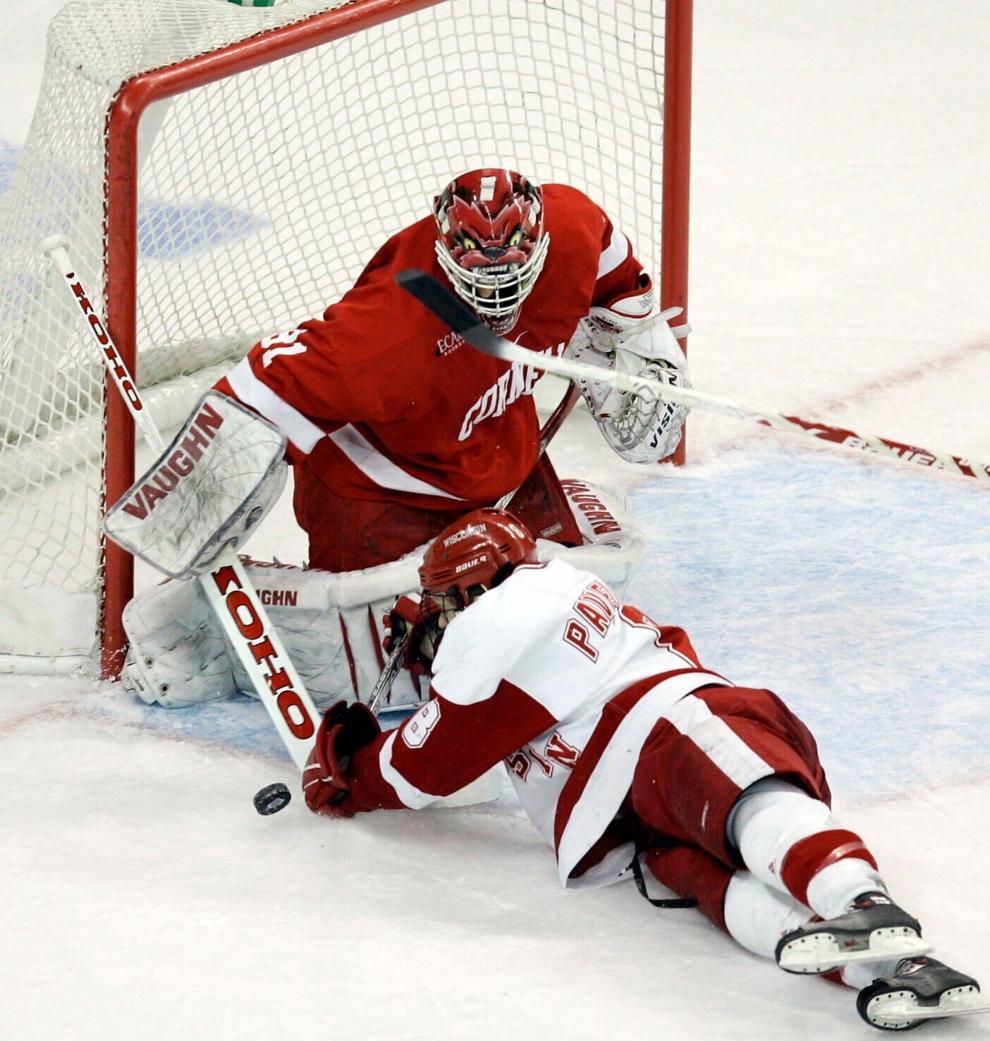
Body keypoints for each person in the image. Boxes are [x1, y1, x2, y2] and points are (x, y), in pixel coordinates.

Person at [302, 508, 983, 1032]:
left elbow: (423, 769)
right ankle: (894, 966)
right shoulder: (563, 584)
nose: (439, 620)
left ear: (474, 588)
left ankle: (863, 903)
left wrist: (346, 765)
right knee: (708, 875)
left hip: (666, 729)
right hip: (630, 796)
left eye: (444, 600)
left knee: (739, 805)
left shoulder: (503, 618)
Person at [117, 169, 689, 709]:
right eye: (477, 281)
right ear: (443, 254)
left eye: (514, 274)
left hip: (487, 447)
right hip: (379, 490)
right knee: (387, 666)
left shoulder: (572, 227)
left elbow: (611, 261)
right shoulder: (384, 334)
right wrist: (196, 500)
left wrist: (624, 316)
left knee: (539, 623)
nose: (497, 299)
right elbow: (257, 390)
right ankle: (205, 632)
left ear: (542, 243)